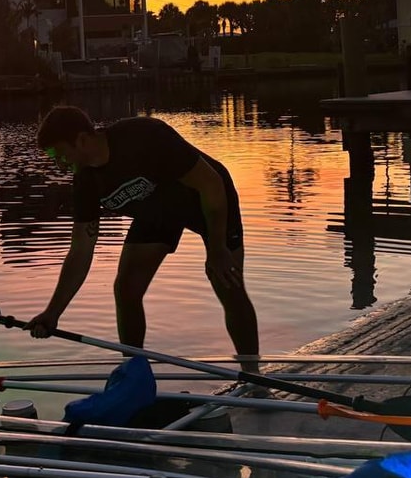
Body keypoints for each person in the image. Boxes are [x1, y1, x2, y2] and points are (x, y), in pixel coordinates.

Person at [28, 105, 261, 374]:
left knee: (227, 282)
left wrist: (218, 248)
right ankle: (134, 373)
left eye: (60, 155)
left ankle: (252, 374)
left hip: (207, 199)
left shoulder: (144, 136)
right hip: (157, 211)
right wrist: (53, 312)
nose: (59, 165)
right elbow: (80, 251)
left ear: (81, 139)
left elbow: (210, 184)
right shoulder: (85, 183)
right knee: (126, 288)